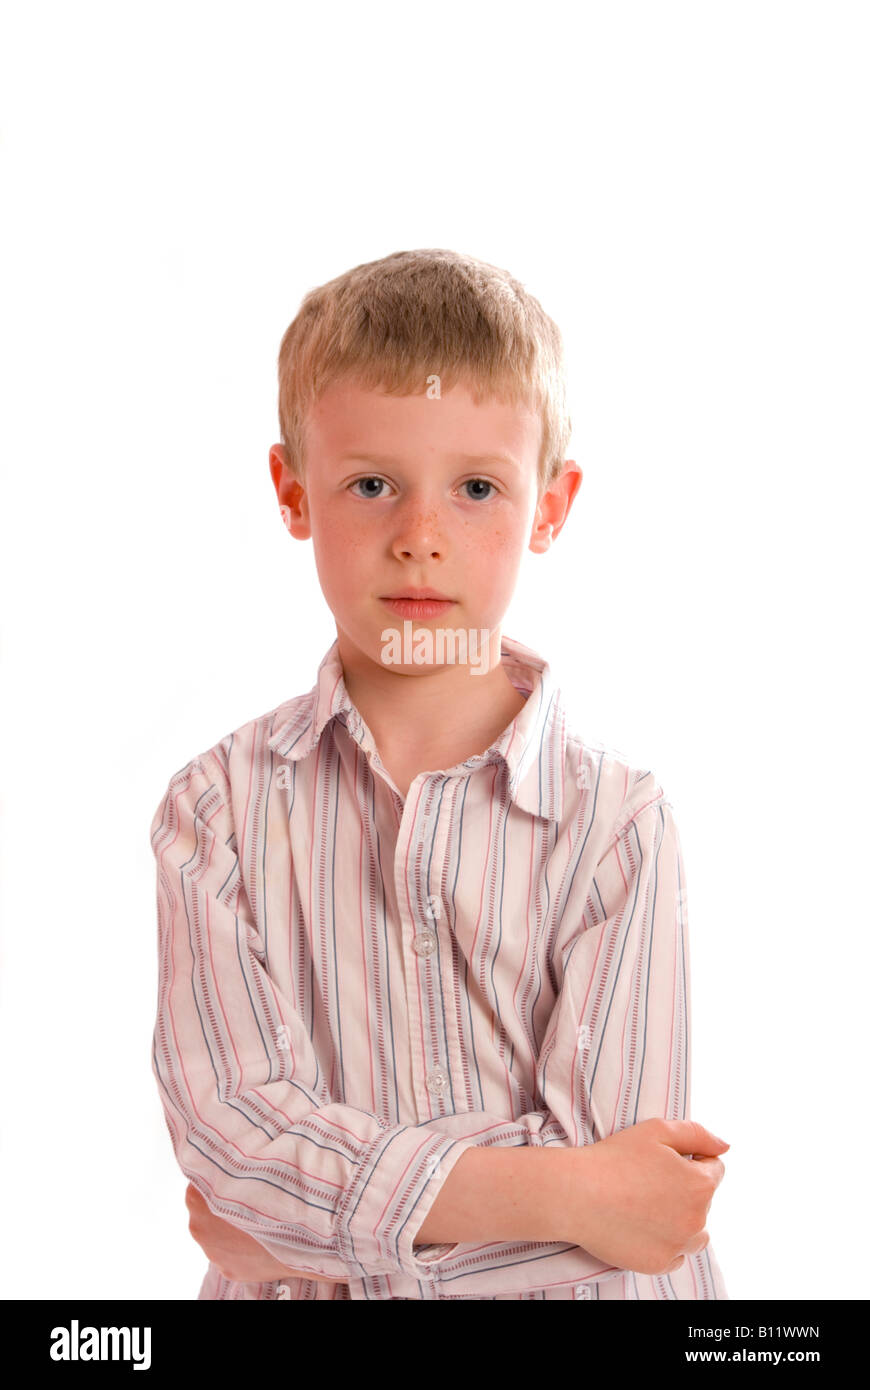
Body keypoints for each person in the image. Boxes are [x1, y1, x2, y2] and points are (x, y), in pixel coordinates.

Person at [150, 248, 729, 1301]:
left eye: (476, 488)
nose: (421, 539)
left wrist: (298, 1237)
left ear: (550, 507)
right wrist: (560, 1188)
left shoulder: (616, 824)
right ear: (293, 492)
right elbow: (232, 1147)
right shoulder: (218, 810)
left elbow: (638, 1211)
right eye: (372, 485)